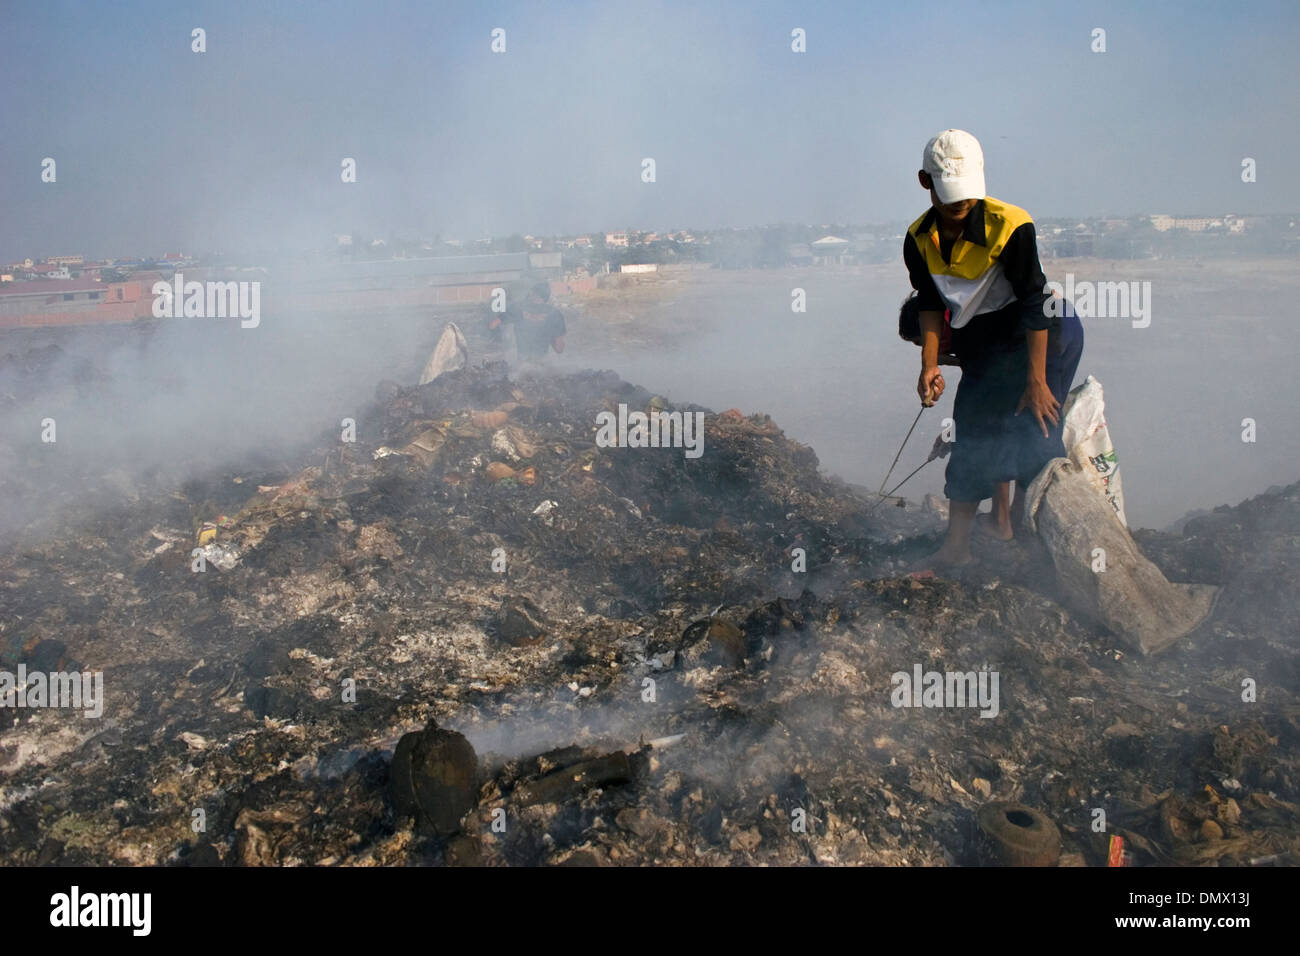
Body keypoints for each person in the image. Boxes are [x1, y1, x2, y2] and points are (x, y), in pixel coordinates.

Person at [902, 129, 1067, 568]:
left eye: (968, 198)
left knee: (1034, 426)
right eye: (951, 198)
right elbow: (932, 303)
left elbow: (1037, 303)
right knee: (975, 432)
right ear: (925, 182)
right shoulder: (918, 239)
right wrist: (929, 365)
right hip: (990, 341)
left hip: (1045, 333)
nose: (961, 208)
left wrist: (1036, 381)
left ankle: (1043, 545)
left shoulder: (1011, 225)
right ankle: (963, 547)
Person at [488, 281, 566, 361]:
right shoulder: (555, 314)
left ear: (532, 293)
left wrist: (503, 340)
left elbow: (492, 325)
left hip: (522, 367)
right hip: (542, 368)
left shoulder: (517, 308)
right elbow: (559, 349)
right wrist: (548, 332)